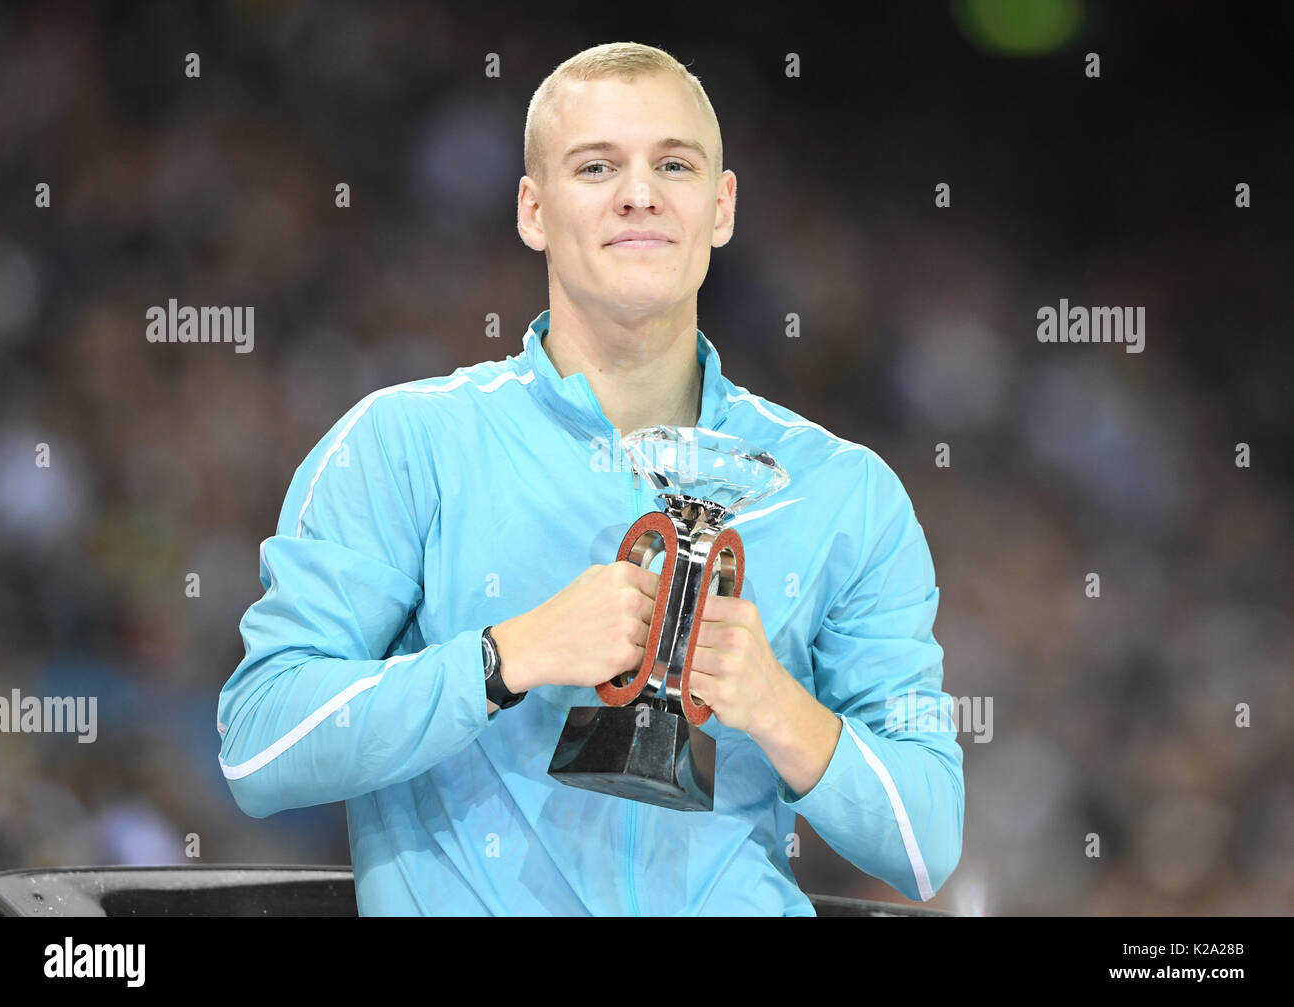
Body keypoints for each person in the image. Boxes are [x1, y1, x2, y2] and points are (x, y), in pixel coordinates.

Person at [216, 41, 964, 915]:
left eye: (674, 164)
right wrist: (504, 659)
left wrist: (774, 703)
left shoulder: (844, 490)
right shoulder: (406, 443)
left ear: (721, 207)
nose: (639, 193)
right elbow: (259, 743)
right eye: (597, 165)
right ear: (533, 209)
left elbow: (926, 841)